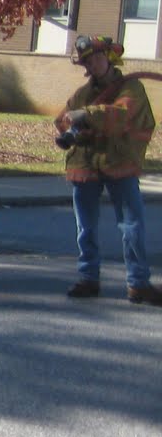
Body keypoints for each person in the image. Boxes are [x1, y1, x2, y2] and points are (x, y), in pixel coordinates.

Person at [54, 35, 161, 305]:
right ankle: (88, 278)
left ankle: (138, 284)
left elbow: (121, 115)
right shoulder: (83, 93)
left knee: (131, 227)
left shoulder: (131, 88)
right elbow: (62, 119)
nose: (91, 63)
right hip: (86, 166)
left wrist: (88, 115)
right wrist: (70, 132)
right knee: (85, 228)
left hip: (119, 164)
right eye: (87, 60)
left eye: (95, 57)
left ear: (109, 58)